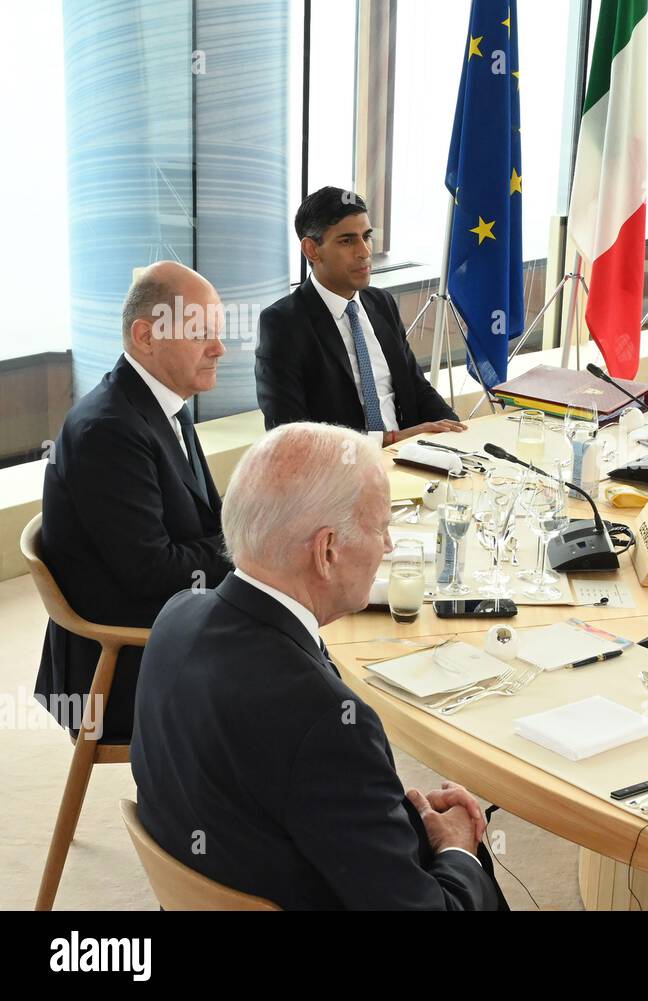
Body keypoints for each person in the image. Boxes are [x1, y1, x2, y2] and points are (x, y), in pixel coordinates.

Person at [131, 423, 505, 910]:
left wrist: (387, 816)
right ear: (327, 551)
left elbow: (281, 790)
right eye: (380, 527)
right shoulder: (325, 721)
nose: (389, 546)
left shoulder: (177, 614)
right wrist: (456, 847)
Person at [36, 262, 232, 743]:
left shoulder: (164, 402)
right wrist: (255, 547)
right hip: (124, 658)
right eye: (201, 333)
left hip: (164, 618)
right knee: (292, 666)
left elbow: (204, 519)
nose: (220, 348)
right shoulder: (108, 431)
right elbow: (151, 570)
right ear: (146, 336)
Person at [255, 187, 467, 443]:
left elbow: (418, 389)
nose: (364, 252)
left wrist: (458, 434)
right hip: (345, 465)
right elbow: (291, 437)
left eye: (366, 237)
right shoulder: (282, 324)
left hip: (408, 454)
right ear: (312, 250)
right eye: (347, 241)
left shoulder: (382, 303)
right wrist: (390, 439)